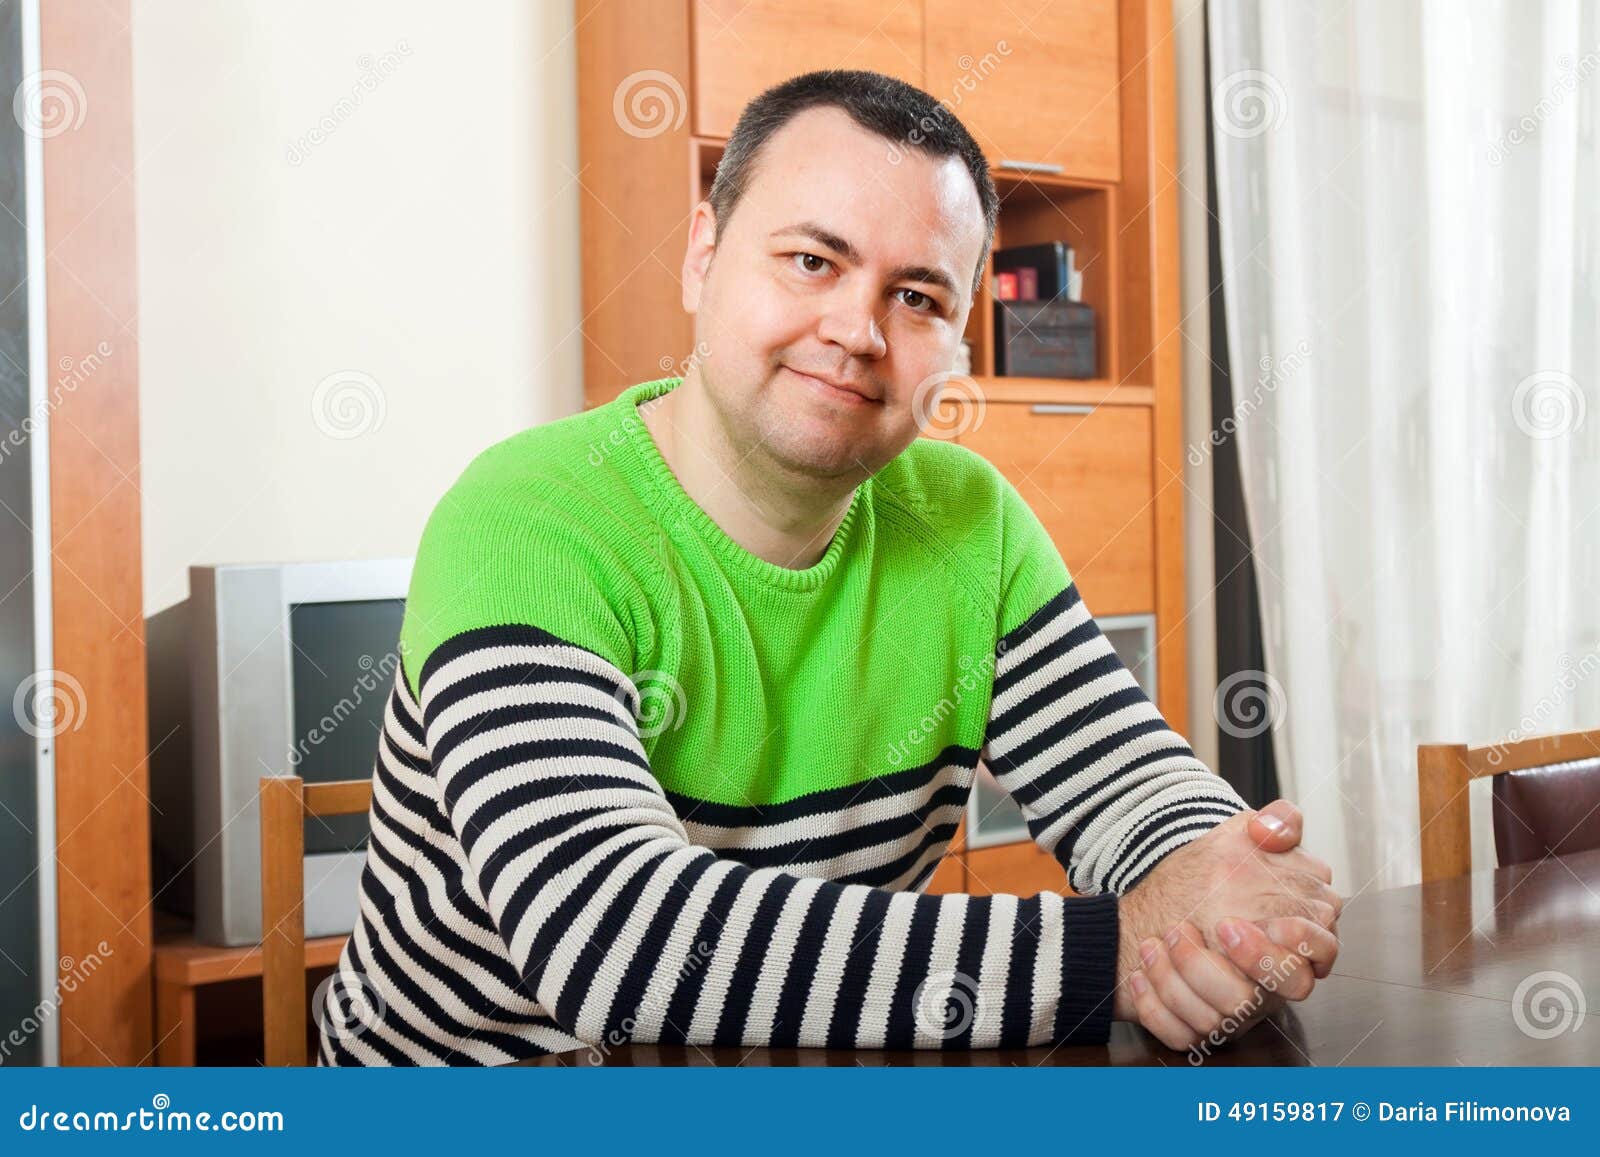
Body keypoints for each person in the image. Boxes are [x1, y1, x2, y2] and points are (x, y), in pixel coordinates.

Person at [316, 70, 1340, 1066]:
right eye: (812, 261)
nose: (856, 331)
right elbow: (616, 941)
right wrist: (1120, 947)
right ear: (701, 257)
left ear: (955, 344)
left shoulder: (969, 521)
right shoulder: (527, 516)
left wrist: (1223, 894)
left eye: (917, 296)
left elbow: (1127, 784)